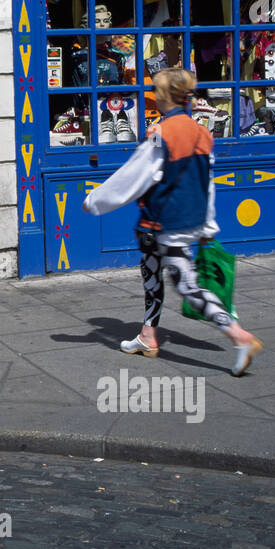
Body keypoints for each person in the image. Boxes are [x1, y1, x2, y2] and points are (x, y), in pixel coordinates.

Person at [83, 67, 263, 375]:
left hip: (167, 223)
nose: (152, 94)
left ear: (164, 96)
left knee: (187, 286)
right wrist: (208, 227)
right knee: (151, 271)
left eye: (155, 90)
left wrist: (95, 200)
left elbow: (134, 177)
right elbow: (208, 184)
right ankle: (148, 336)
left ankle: (239, 336)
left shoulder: (161, 134)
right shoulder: (201, 131)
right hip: (180, 220)